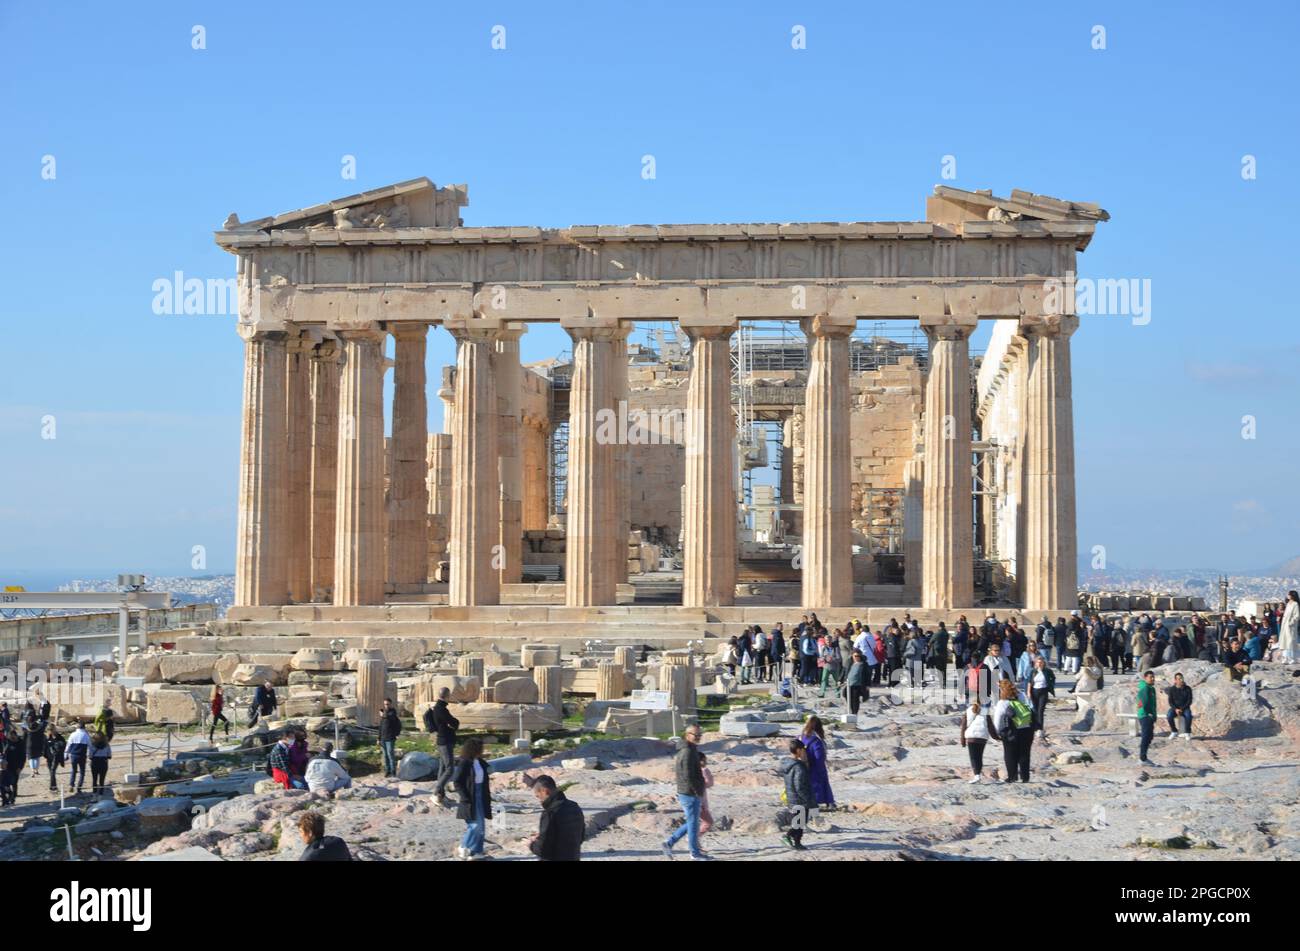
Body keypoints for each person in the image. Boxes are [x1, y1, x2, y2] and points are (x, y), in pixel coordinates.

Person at [661, 724, 709, 860]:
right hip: (689, 793)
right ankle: (694, 853)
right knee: (694, 824)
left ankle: (669, 843)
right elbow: (687, 775)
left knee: (693, 822)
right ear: (687, 735)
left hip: (690, 791)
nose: (699, 737)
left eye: (700, 735)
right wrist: (697, 791)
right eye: (696, 735)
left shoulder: (691, 749)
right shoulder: (687, 751)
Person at [527, 774, 585, 861]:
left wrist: (531, 844)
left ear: (545, 791)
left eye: (538, 796)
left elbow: (543, 850)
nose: (539, 800)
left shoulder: (550, 812)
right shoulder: (574, 806)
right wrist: (542, 836)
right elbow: (580, 837)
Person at [452, 737, 493, 860]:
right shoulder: (465, 762)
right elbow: (457, 781)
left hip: (481, 795)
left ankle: (476, 851)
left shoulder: (479, 762)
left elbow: (486, 774)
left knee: (481, 826)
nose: (482, 750)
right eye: (480, 748)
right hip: (471, 797)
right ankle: (464, 847)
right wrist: (464, 797)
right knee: (474, 825)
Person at [992, 679, 1034, 783]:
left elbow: (998, 721)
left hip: (1011, 731)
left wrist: (998, 733)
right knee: (1024, 754)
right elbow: (1031, 708)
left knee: (1010, 754)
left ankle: (1012, 776)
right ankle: (1025, 777)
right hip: (1027, 729)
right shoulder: (1022, 696)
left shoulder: (1002, 703)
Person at [424, 687, 460, 806]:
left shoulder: (437, 708)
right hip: (445, 741)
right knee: (450, 768)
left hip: (442, 740)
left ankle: (441, 795)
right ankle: (435, 792)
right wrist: (455, 723)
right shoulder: (441, 709)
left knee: (442, 768)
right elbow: (454, 722)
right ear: (447, 696)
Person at [781, 738, 814, 851]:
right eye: (803, 750)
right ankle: (787, 836)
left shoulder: (787, 764)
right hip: (800, 799)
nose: (805, 752)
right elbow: (799, 786)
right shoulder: (799, 767)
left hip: (792, 797)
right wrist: (807, 800)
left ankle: (798, 842)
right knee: (800, 821)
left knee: (800, 821)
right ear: (799, 750)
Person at [801, 715, 834, 807]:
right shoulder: (816, 740)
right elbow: (819, 756)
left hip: (803, 765)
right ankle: (827, 802)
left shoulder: (801, 737)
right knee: (820, 784)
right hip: (815, 766)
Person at [960, 698, 992, 784]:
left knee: (973, 757)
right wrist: (996, 737)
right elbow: (990, 725)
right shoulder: (985, 711)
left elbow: (963, 726)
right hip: (982, 737)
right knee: (979, 756)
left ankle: (977, 775)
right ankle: (978, 774)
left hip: (971, 736)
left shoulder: (968, 710)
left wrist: (962, 740)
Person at [1028, 654, 1056, 738]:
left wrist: (1050, 685)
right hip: (1034, 692)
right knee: (1035, 711)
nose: (1039, 664)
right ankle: (1034, 727)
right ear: (1035, 663)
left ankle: (1040, 729)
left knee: (1040, 711)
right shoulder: (1033, 671)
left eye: (1041, 662)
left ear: (1044, 663)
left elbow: (1053, 678)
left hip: (1043, 691)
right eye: (1038, 662)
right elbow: (1029, 682)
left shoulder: (1047, 671)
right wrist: (1028, 692)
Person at [1136, 671, 1158, 764]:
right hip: (1145, 715)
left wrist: (1154, 715)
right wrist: (1149, 714)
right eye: (1150, 677)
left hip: (1149, 715)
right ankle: (1142, 758)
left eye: (1153, 677)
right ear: (1145, 678)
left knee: (1149, 736)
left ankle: (1144, 756)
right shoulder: (1145, 688)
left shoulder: (1151, 688)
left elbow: (1152, 704)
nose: (1152, 679)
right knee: (1146, 736)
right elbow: (1144, 703)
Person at [377, 698, 402, 777]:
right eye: (385, 704)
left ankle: (393, 772)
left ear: (390, 704)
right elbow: (381, 727)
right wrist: (378, 738)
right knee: (385, 755)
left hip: (390, 737)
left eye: (387, 704)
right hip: (383, 738)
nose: (386, 706)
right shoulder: (384, 714)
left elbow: (390, 717)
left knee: (390, 755)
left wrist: (383, 715)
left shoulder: (392, 712)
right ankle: (387, 771)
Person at [1165, 673, 1193, 739]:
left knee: (1189, 715)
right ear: (1175, 680)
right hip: (1175, 709)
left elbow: (1189, 701)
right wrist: (1175, 709)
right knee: (1169, 715)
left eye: (1182, 678)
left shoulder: (1188, 688)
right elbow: (1170, 701)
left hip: (1185, 708)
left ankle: (1187, 732)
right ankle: (1174, 731)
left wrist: (1182, 709)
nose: (1181, 680)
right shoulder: (1172, 689)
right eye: (1179, 678)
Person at [66, 721, 91, 793]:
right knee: (82, 771)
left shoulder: (73, 734)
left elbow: (68, 745)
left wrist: (66, 754)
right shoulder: (86, 735)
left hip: (73, 755)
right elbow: (90, 746)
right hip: (82, 755)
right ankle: (79, 787)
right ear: (84, 727)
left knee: (74, 770)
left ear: (77, 727)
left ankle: (71, 784)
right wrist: (91, 754)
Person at [1280, 591, 1300, 664]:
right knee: (1284, 641)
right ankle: (1285, 658)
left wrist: (1291, 622)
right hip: (1284, 625)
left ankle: (1292, 658)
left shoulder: (1295, 604)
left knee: (1290, 642)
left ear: (1292, 595)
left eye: (1289, 594)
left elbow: (1297, 615)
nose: (1288, 595)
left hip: (1291, 626)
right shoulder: (1288, 604)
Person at [43, 724, 65, 792]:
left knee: (52, 771)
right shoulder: (48, 738)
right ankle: (54, 786)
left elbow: (62, 746)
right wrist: (44, 755)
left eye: (51, 730)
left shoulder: (59, 737)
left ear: (54, 730)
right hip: (49, 757)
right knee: (51, 772)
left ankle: (53, 787)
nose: (50, 732)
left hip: (56, 757)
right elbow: (45, 747)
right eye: (48, 731)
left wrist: (55, 746)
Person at [846, 650, 867, 714]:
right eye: (855, 656)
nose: (856, 657)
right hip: (849, 684)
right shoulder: (850, 662)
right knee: (846, 695)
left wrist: (867, 685)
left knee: (855, 699)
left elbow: (867, 675)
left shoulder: (863, 664)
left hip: (858, 684)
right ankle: (851, 710)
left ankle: (855, 712)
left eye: (858, 656)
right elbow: (846, 671)